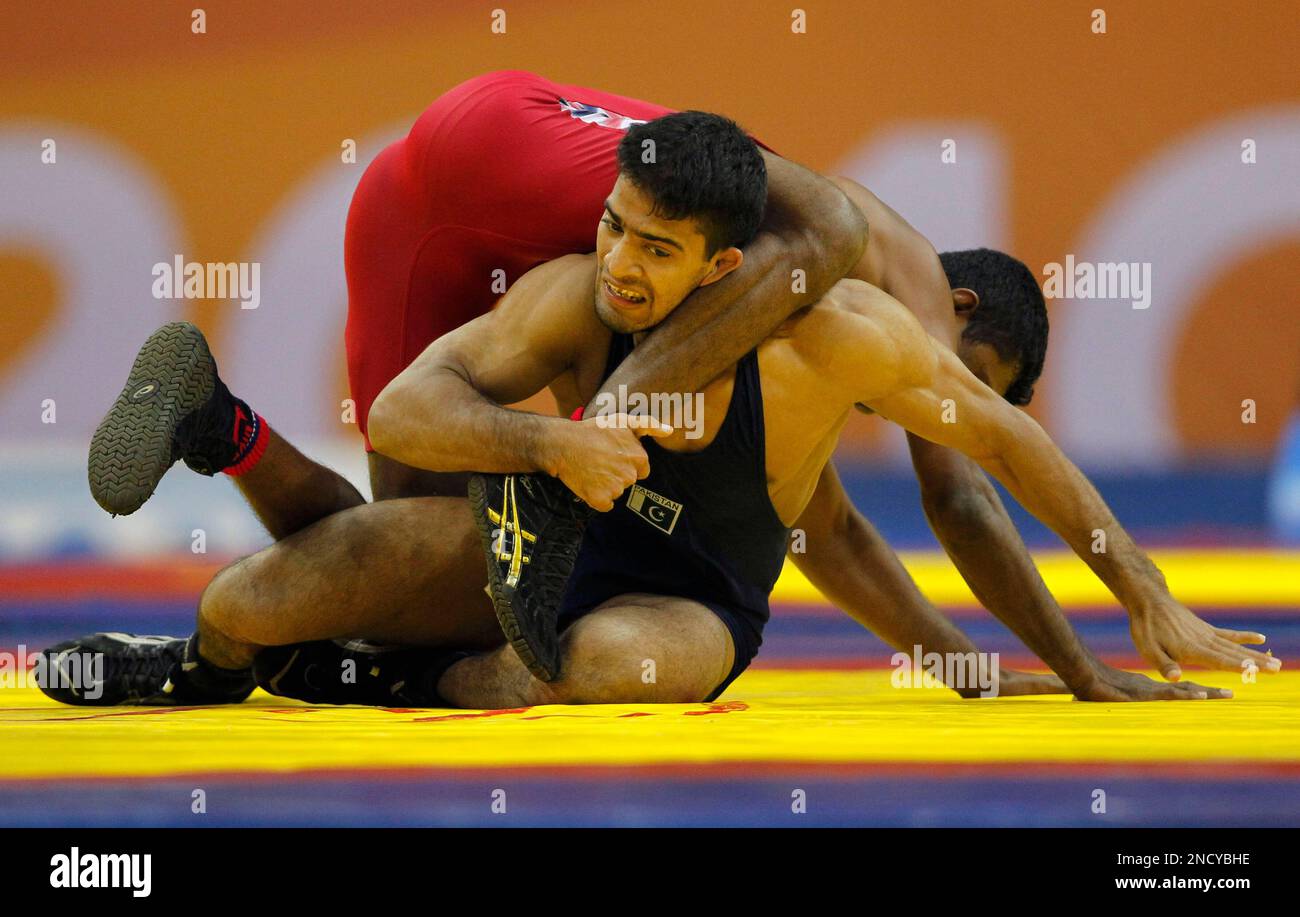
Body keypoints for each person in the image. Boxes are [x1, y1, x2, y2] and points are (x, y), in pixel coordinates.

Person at [42, 111, 1252, 709]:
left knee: (601, 658)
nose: (621, 262)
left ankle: (359, 668)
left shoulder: (842, 334)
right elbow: (410, 409)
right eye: (614, 224)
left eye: (656, 248)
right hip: (544, 537)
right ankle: (280, 646)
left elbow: (991, 453)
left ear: (729, 268)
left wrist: (1126, 619)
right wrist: (550, 440)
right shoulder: (579, 291)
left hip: (686, 598)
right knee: (245, 596)